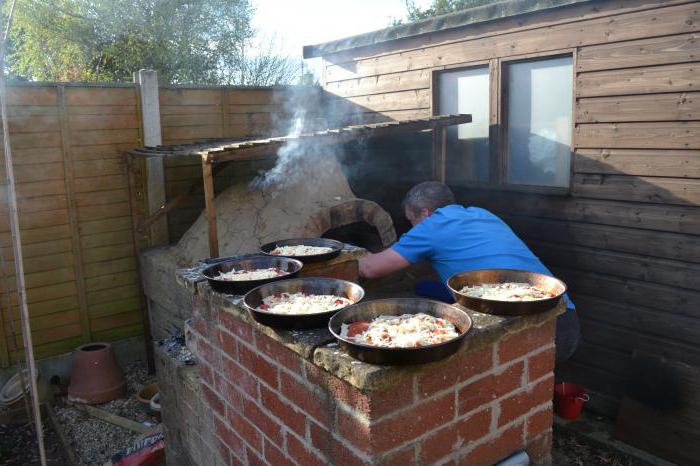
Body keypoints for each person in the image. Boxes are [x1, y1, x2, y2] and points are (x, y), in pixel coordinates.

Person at [358, 181, 579, 364]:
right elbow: (483, 267)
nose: (412, 228)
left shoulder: (432, 225)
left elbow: (370, 268)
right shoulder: (483, 214)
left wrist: (343, 252)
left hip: (530, 326)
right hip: (565, 317)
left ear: (425, 213)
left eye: (411, 221)